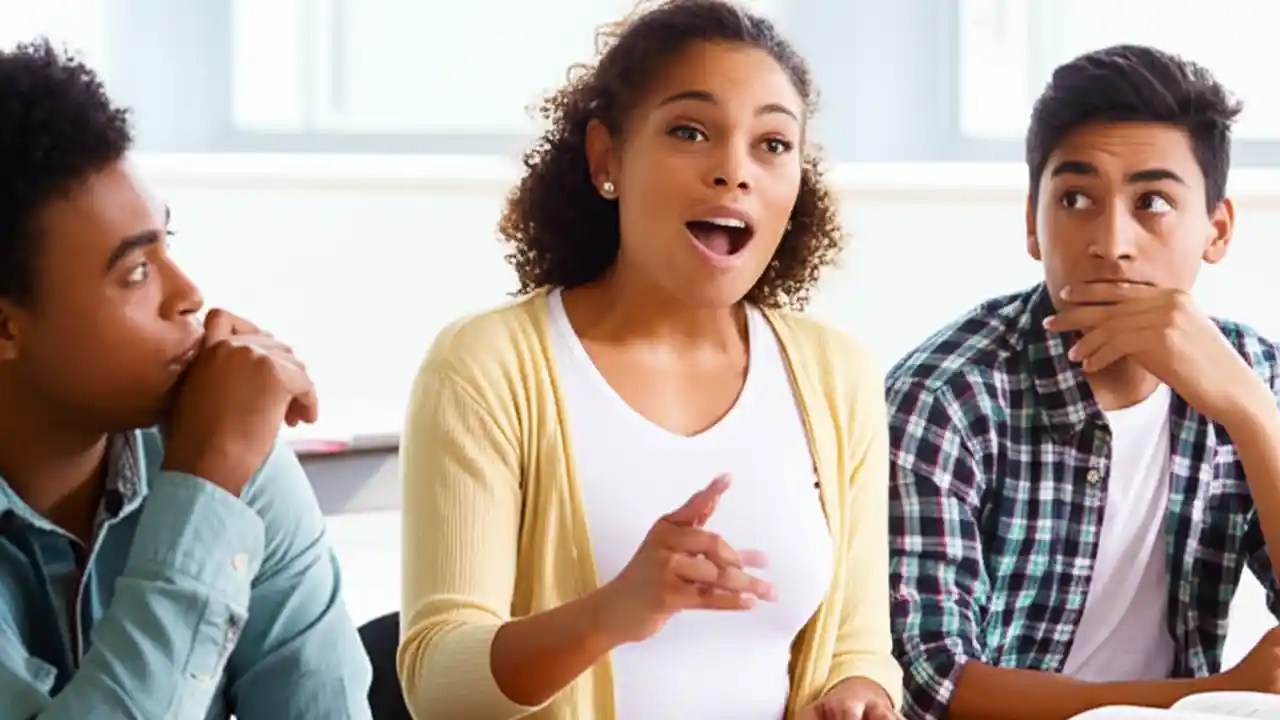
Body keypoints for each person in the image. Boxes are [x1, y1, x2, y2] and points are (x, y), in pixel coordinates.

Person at [396, 1, 903, 718]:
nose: (734, 171)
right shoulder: (488, 366)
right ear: (608, 158)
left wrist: (858, 694)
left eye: (772, 144)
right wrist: (613, 611)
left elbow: (859, 645)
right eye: (690, 131)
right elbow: (436, 686)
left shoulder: (835, 375)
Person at [887, 44, 1280, 720]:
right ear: (1032, 225)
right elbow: (929, 679)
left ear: (1216, 230)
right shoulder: (945, 398)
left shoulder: (1253, 372)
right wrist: (1202, 695)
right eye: (1075, 199)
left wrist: (1251, 413)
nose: (1111, 242)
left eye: (1152, 201)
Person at [0, 40, 372, 718]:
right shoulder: (218, 453)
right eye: (135, 272)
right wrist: (204, 485)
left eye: (167, 245)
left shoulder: (225, 433)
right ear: (5, 329)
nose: (191, 295)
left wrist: (217, 467)